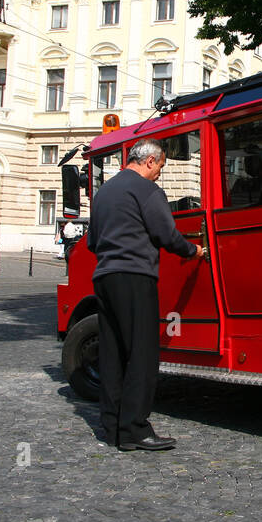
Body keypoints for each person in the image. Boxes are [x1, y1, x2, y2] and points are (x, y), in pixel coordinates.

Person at [88, 138, 205, 451]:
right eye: (161, 167)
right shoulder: (147, 190)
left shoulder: (104, 193)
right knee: (141, 354)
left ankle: (112, 427)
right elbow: (165, 234)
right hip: (135, 276)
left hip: (104, 277)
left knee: (113, 353)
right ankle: (135, 429)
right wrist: (193, 250)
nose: (159, 174)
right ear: (150, 161)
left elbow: (92, 241)